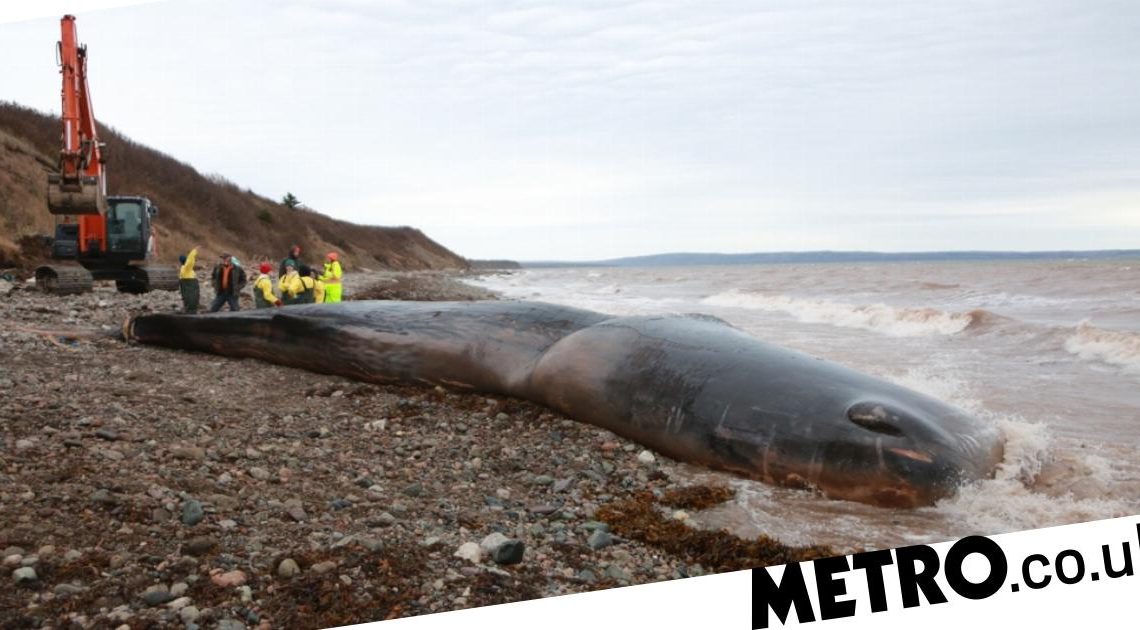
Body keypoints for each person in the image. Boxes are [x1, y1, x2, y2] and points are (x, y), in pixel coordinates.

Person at [178, 246, 200, 314]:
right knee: (192, 297)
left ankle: (188, 310)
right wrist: (194, 251)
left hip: (186, 283)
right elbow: (190, 260)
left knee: (187, 297)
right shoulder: (187, 268)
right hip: (190, 283)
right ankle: (191, 311)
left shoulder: (183, 268)